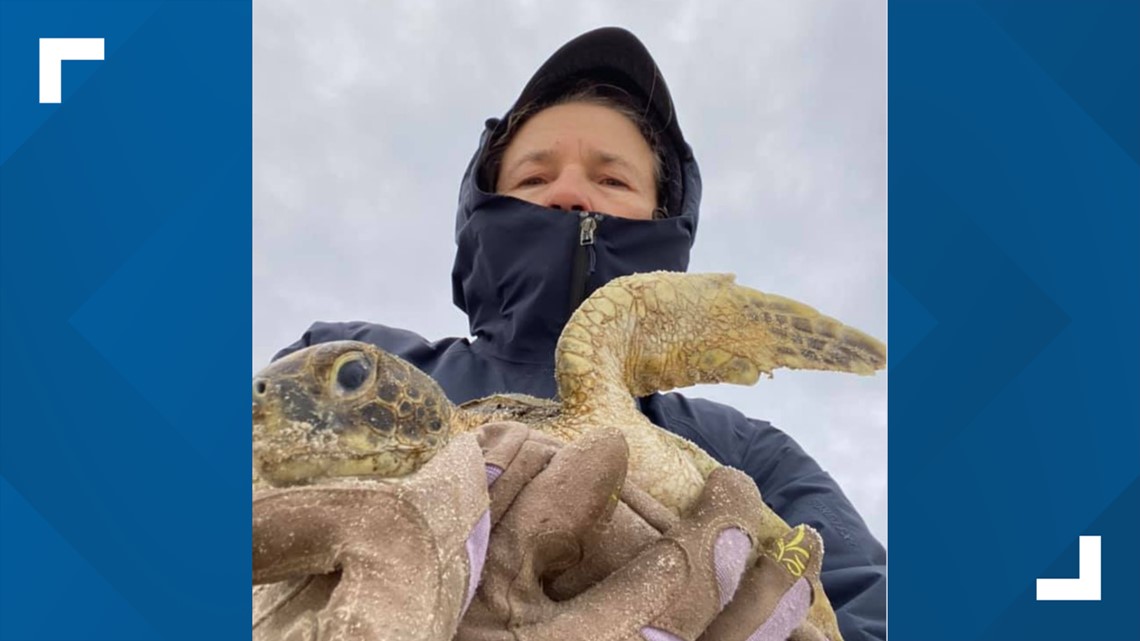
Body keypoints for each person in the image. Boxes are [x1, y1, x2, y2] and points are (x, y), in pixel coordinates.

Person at [271, 27, 886, 641]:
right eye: (533, 178)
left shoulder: (746, 449)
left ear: (664, 222)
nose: (567, 192)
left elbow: (870, 602)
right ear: (480, 212)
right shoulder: (361, 356)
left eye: (612, 180)